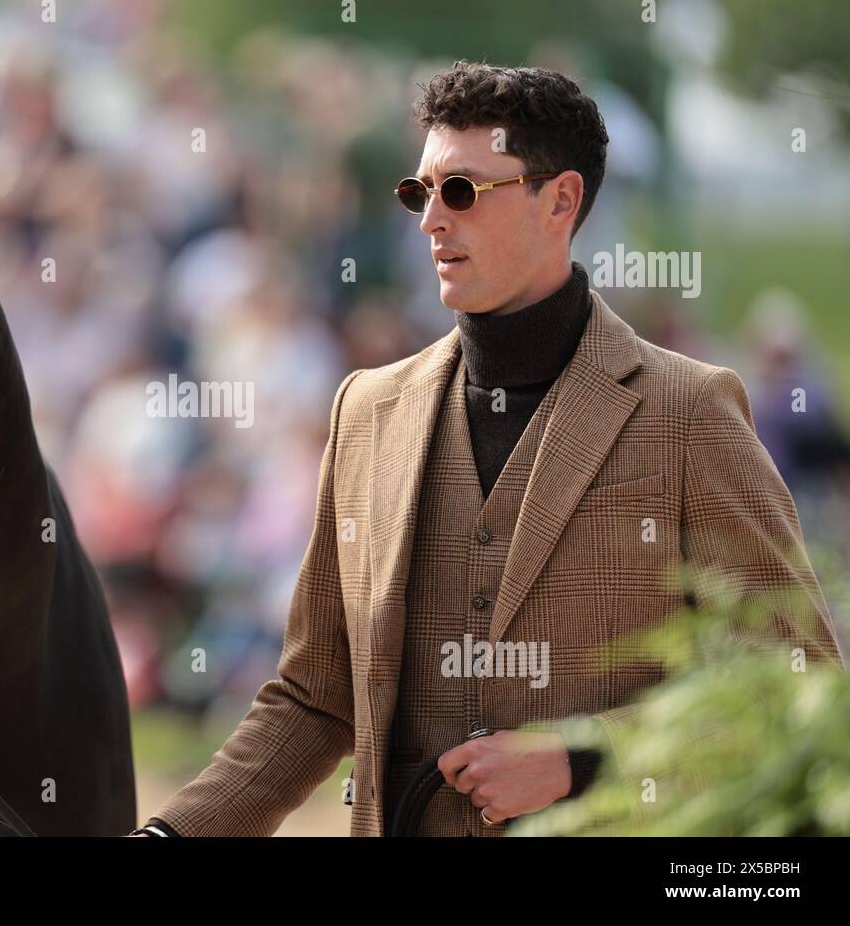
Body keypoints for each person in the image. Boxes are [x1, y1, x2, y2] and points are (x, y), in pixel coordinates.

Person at [130, 61, 844, 837]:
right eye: (419, 193)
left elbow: (791, 686)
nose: (432, 219)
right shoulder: (367, 410)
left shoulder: (688, 410)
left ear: (561, 201)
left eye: (462, 191)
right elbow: (314, 698)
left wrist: (585, 759)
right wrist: (170, 835)